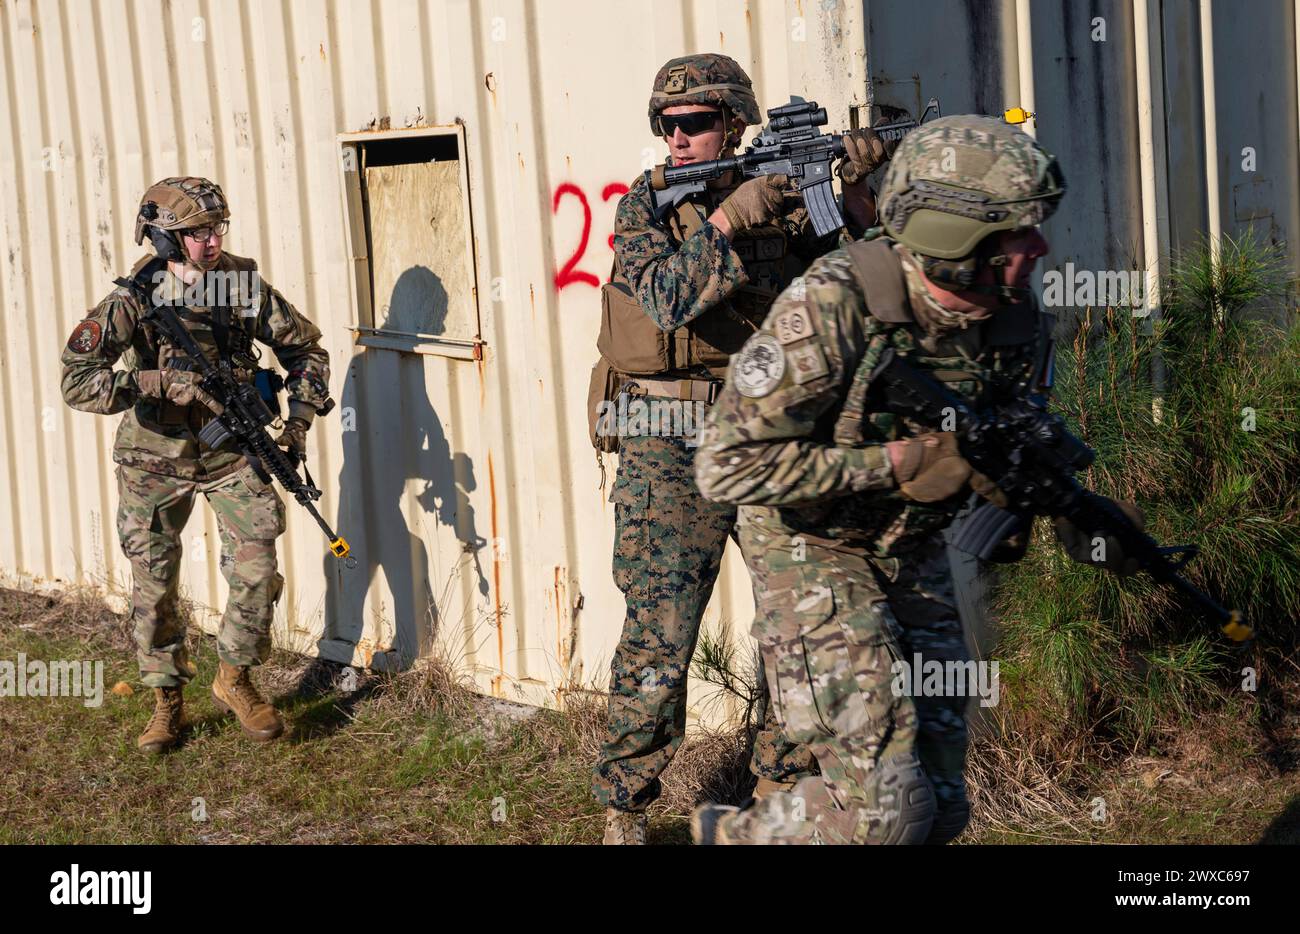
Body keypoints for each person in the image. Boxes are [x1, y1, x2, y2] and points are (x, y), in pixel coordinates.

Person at [689, 115, 1144, 844]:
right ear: (954, 236)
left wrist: (1076, 512)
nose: (1041, 247)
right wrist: (896, 464)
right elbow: (724, 464)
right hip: (812, 550)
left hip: (915, 552)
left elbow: (1009, 437)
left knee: (940, 809)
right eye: (1018, 231)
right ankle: (733, 838)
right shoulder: (834, 303)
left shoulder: (1012, 318)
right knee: (888, 812)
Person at [589, 53, 894, 844]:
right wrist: (732, 217)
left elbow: (867, 286)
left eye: (696, 123)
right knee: (662, 626)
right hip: (668, 440)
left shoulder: (794, 203)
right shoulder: (648, 205)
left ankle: (778, 787)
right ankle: (625, 804)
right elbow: (661, 299)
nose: (680, 137)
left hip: (770, 431)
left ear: (736, 122)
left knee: (793, 622)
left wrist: (856, 197)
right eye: (669, 124)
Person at [61, 176, 332, 754]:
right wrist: (151, 381)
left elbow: (306, 349)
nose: (211, 243)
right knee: (155, 584)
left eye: (216, 230)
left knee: (257, 566)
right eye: (196, 233)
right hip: (152, 459)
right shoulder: (134, 297)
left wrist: (300, 421)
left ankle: (234, 678)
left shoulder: (240, 284)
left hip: (232, 447)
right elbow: (77, 381)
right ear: (163, 238)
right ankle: (166, 699)